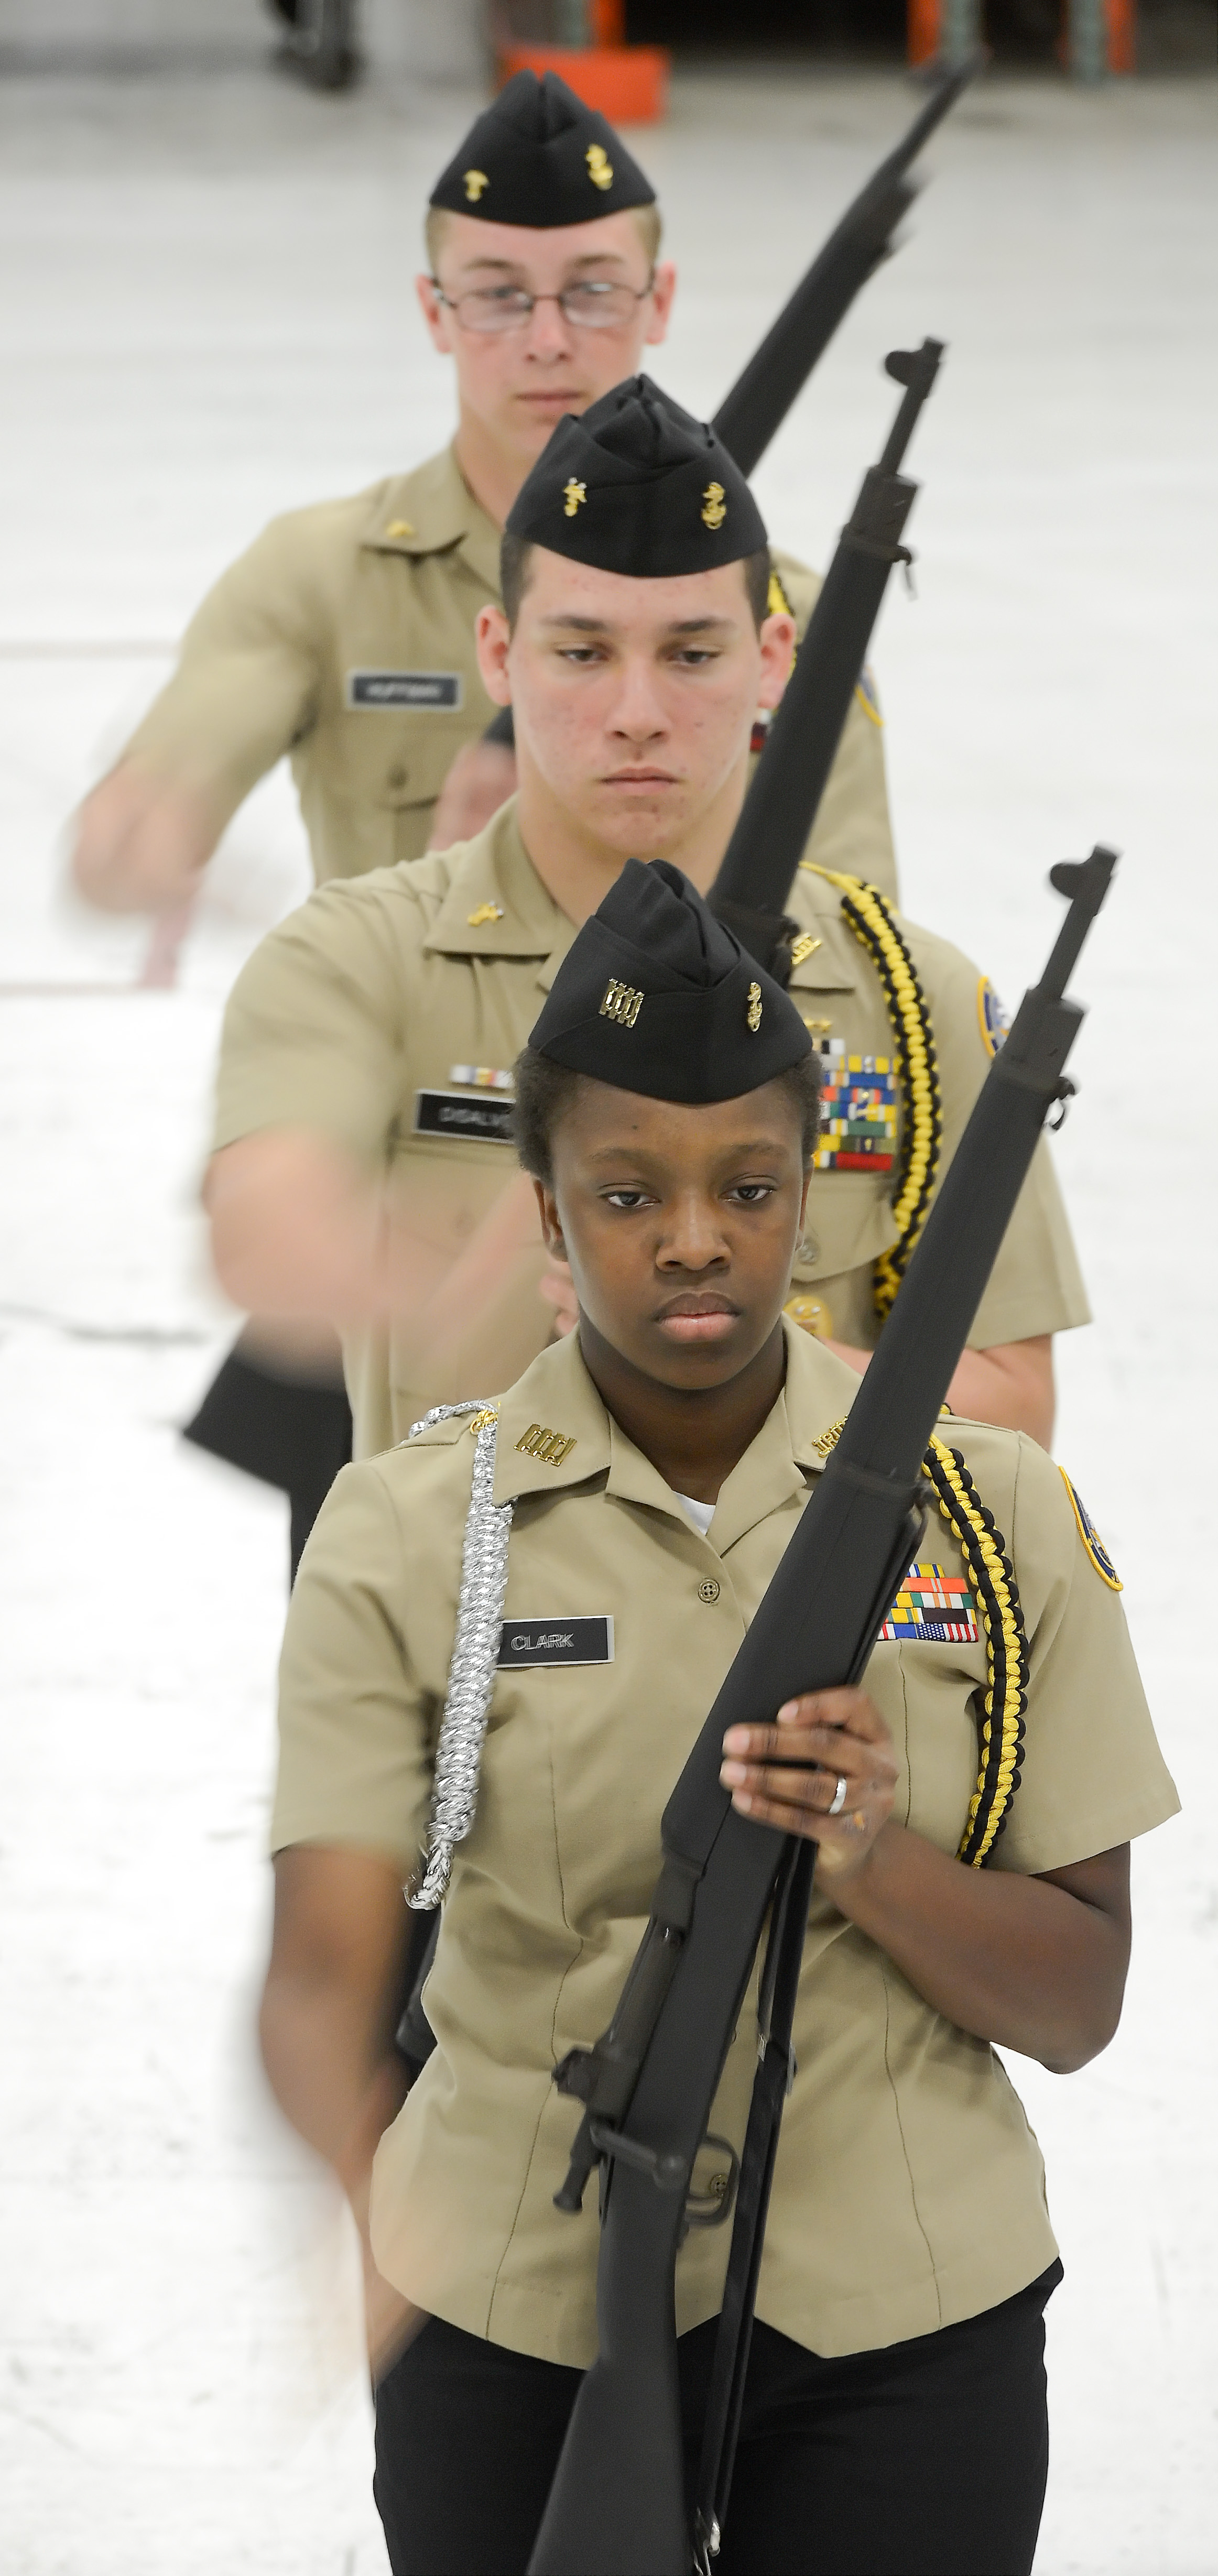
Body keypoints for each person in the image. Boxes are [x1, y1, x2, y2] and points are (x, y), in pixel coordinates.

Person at [259, 857, 1178, 2576]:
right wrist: (386, 2233)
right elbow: (322, 1970)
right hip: (509, 2314)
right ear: (546, 1218)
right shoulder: (406, 1530)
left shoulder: (994, 1514)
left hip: (900, 2320)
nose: (694, 1237)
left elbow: (1078, 2001)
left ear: (809, 1197)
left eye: (749, 1186)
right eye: (626, 1192)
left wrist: (873, 1856)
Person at [206, 377, 1087, 1484]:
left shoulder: (915, 998)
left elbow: (1016, 1415)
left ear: (774, 659)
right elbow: (272, 1236)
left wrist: (757, 1357)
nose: (637, 714)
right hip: (475, 1584)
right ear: (498, 653)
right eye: (582, 653)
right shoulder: (359, 958)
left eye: (691, 654)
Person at [69, 68, 896, 931]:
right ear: (436, 312)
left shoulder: (785, 620)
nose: (548, 340)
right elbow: (145, 814)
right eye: (499, 296)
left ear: (659, 302)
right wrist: (135, 841)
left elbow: (859, 950)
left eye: (593, 291)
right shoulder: (325, 578)